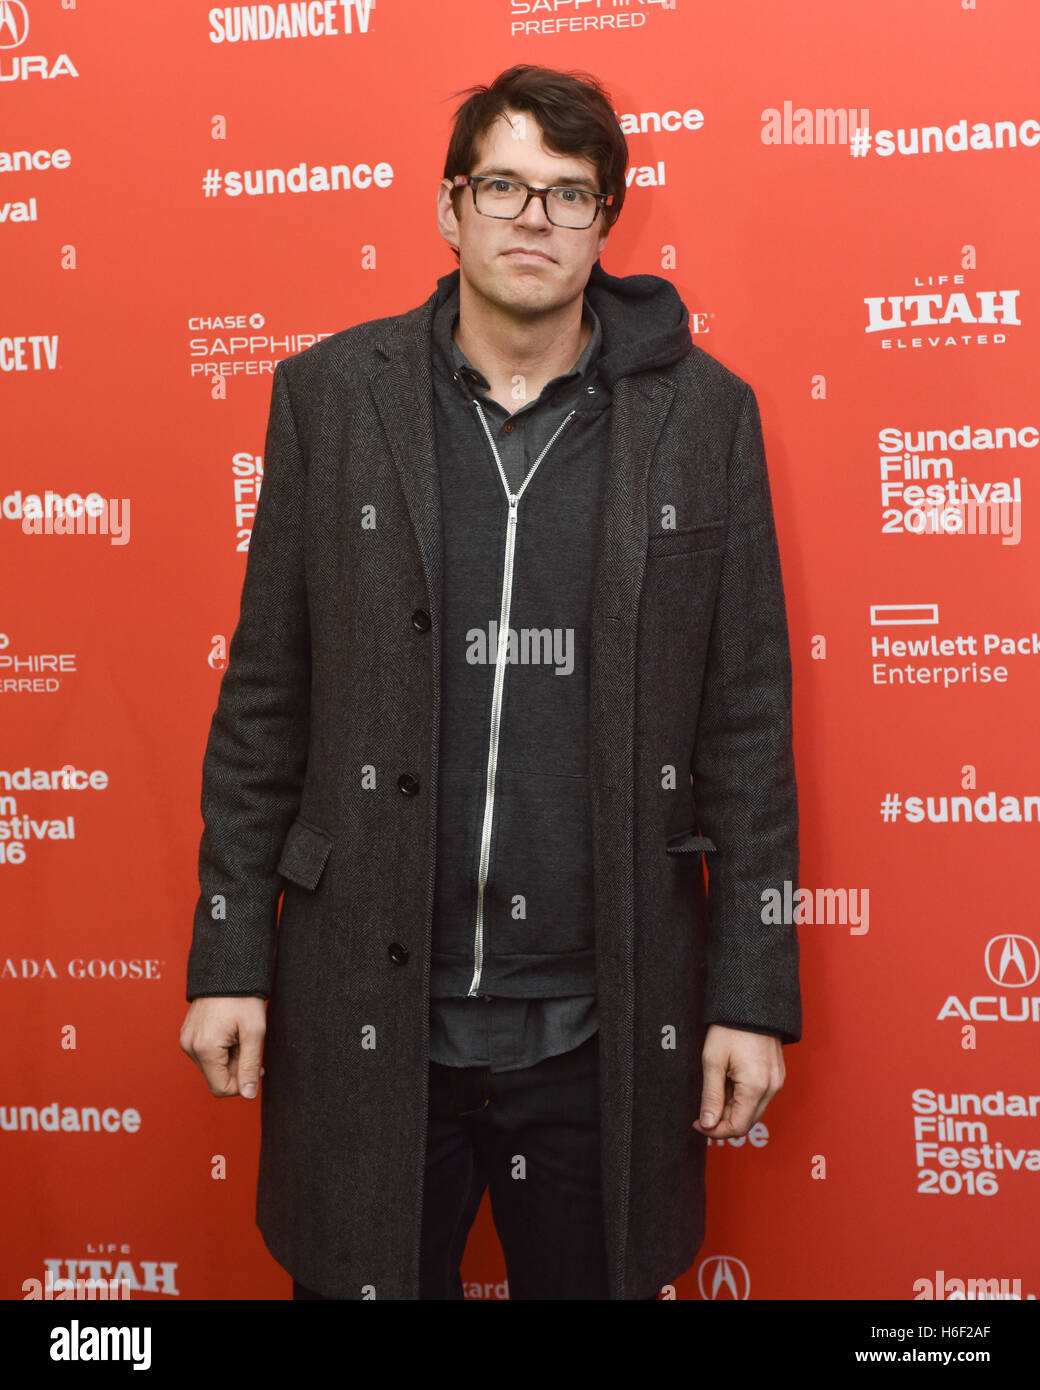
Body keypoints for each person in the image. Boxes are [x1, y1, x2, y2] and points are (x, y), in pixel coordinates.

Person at [180, 63, 801, 1301]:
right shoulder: (329, 399)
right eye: (503, 185)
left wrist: (749, 996)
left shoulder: (704, 417)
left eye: (568, 195)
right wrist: (227, 956)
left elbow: (744, 725)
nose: (532, 217)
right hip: (369, 999)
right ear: (447, 208)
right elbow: (264, 703)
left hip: (598, 1021)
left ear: (605, 221)